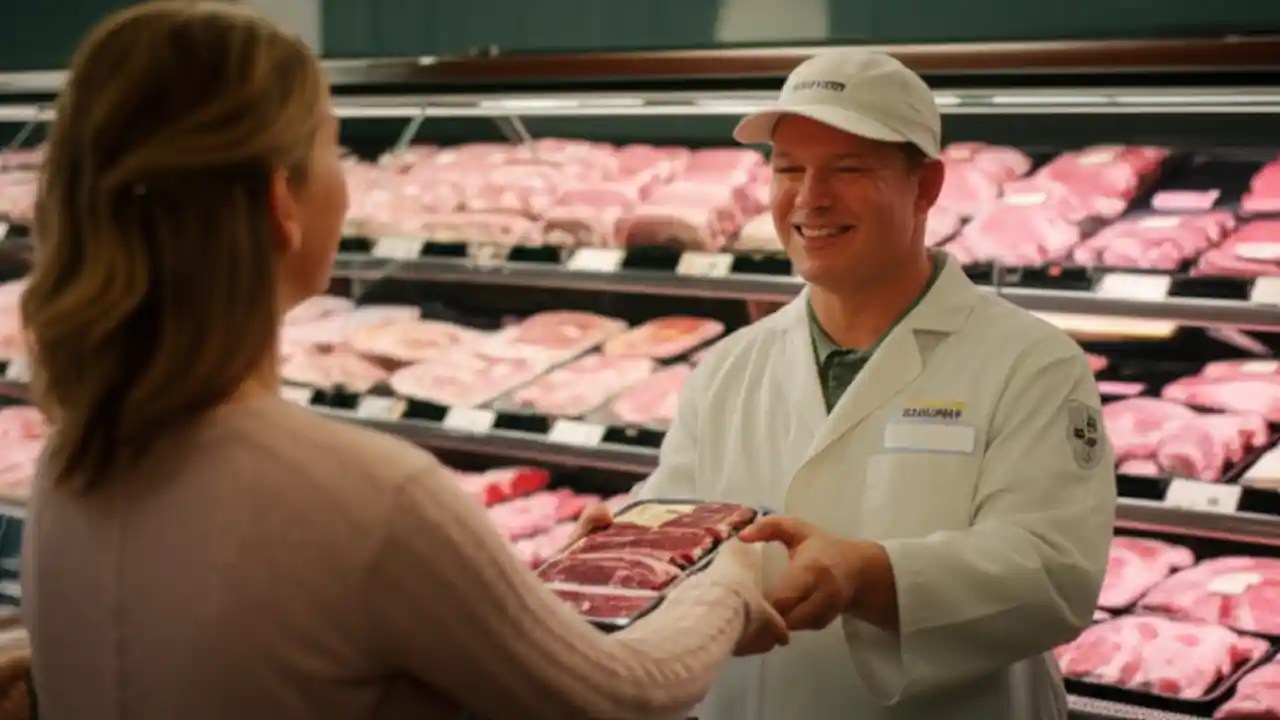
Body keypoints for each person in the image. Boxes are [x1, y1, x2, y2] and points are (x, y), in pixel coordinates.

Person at [17, 3, 787, 719]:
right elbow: (621, 697)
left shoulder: (72, 467)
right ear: (280, 205)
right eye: (332, 150)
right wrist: (727, 583)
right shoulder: (371, 498)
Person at [576, 48, 1117, 719]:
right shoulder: (730, 367)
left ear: (925, 187)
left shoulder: (1030, 362)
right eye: (788, 170)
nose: (809, 198)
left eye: (847, 169)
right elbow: (685, 515)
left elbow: (1054, 574)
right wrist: (628, 544)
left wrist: (873, 575)